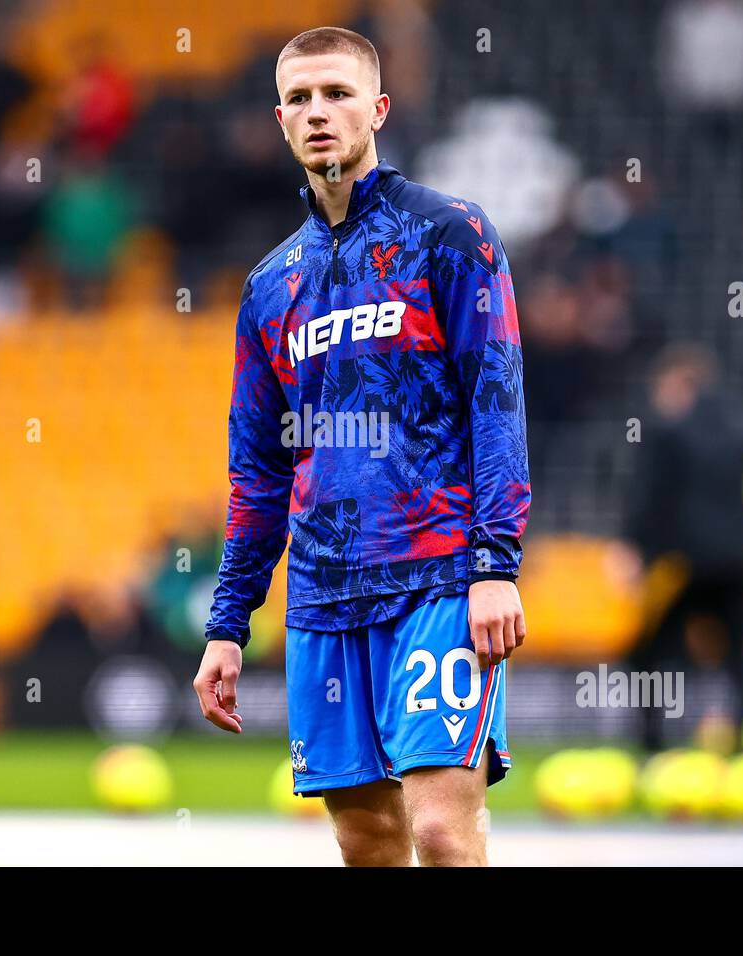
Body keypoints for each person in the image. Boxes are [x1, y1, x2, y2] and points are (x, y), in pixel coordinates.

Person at [193, 27, 531, 867]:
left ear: (377, 109)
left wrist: (495, 565)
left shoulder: (449, 235)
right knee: (367, 841)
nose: (319, 113)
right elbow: (260, 470)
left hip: (440, 577)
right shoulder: (271, 286)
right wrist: (229, 623)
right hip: (323, 595)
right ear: (279, 120)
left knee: (443, 832)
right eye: (300, 99)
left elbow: (496, 403)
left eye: (338, 94)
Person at [618, 345, 743, 752]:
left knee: (647, 654)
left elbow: (652, 495)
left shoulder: (670, 433)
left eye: (662, 391)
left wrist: (635, 549)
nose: (658, 402)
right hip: (738, 562)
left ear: (683, 386)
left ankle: (652, 746)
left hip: (689, 565)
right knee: (741, 660)